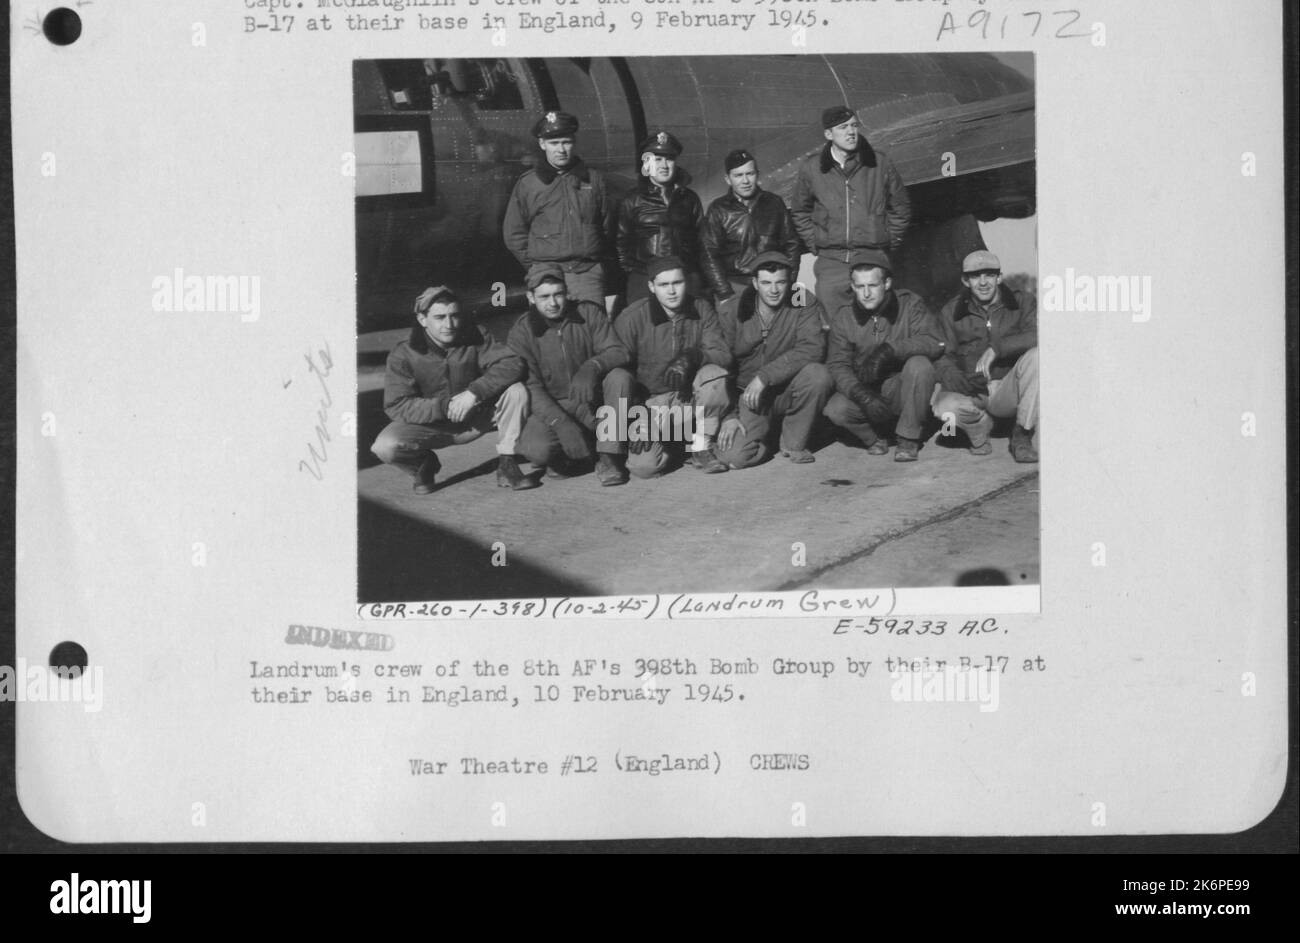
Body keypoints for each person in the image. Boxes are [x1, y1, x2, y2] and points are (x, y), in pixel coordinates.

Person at [372, 287, 536, 493]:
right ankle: (422, 464)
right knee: (385, 446)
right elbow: (397, 405)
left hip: (476, 417)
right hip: (433, 426)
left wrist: (474, 392)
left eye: (454, 316)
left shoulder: (475, 335)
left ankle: (507, 462)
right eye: (439, 317)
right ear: (422, 319)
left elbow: (512, 363)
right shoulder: (402, 354)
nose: (449, 325)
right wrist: (444, 406)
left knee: (516, 391)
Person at [605, 256, 733, 477]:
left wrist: (693, 356)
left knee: (714, 374)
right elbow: (617, 373)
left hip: (688, 398)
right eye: (664, 285)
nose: (672, 291)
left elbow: (723, 355)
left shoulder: (701, 308)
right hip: (649, 405)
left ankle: (701, 445)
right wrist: (636, 415)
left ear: (686, 282)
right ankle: (671, 445)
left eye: (677, 283)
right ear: (651, 287)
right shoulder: (632, 318)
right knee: (644, 468)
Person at [507, 262, 633, 486]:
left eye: (558, 294)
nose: (553, 303)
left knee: (620, 377)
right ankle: (568, 455)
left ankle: (608, 455)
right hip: (552, 406)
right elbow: (530, 385)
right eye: (544, 297)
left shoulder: (587, 313)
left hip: (588, 401)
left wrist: (592, 366)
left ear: (567, 292)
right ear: (531, 297)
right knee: (537, 449)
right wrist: (560, 422)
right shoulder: (521, 332)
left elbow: (618, 351)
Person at [822, 252, 946, 462]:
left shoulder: (910, 304)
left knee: (920, 365)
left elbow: (934, 342)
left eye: (873, 285)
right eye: (860, 287)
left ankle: (908, 437)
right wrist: (861, 395)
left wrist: (891, 350)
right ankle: (874, 439)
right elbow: (837, 364)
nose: (866, 293)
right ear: (852, 287)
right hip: (868, 388)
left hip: (900, 387)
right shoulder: (844, 317)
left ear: (887, 283)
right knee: (836, 409)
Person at [714, 252, 833, 468]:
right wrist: (729, 415)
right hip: (748, 396)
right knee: (734, 458)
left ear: (790, 281)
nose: (774, 290)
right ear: (755, 283)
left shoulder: (802, 299)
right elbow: (720, 366)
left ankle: (793, 442)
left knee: (818, 375)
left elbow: (812, 348)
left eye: (781, 282)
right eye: (766, 283)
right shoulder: (733, 309)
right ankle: (765, 437)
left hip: (785, 387)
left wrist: (765, 376)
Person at [791, 105, 912, 319]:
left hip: (872, 256)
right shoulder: (812, 168)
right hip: (832, 262)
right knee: (836, 327)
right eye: (843, 127)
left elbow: (900, 208)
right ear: (829, 134)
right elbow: (800, 211)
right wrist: (816, 242)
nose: (851, 132)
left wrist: (885, 242)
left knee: (878, 323)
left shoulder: (879, 163)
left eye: (854, 126)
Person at [931, 250, 1039, 462]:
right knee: (943, 410)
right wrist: (956, 378)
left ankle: (1022, 434)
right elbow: (943, 356)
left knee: (1038, 357)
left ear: (999, 277)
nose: (983, 282)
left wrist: (997, 348)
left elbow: (1040, 335)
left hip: (1008, 390)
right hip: (974, 391)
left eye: (989, 275)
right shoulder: (951, 311)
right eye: (975, 276)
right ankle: (981, 427)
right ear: (965, 280)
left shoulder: (1022, 301)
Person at [502, 111, 613, 307]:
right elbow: (514, 234)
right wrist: (538, 268)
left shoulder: (594, 180)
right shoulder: (528, 184)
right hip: (546, 278)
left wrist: (596, 266)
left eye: (566, 142)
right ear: (542, 144)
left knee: (593, 331)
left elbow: (606, 226)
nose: (561, 149)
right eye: (554, 143)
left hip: (587, 275)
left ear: (574, 142)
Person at [700, 148, 801, 304]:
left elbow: (792, 244)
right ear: (728, 179)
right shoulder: (718, 209)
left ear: (757, 174)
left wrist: (789, 282)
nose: (745, 181)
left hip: (772, 283)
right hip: (735, 286)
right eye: (738, 175)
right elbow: (709, 254)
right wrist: (725, 293)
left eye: (750, 174)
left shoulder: (774, 203)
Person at [615, 131, 704, 304]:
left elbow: (701, 240)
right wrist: (636, 273)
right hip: (644, 278)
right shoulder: (632, 200)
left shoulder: (689, 199)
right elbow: (621, 242)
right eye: (657, 159)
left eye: (669, 159)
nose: (664, 165)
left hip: (683, 277)